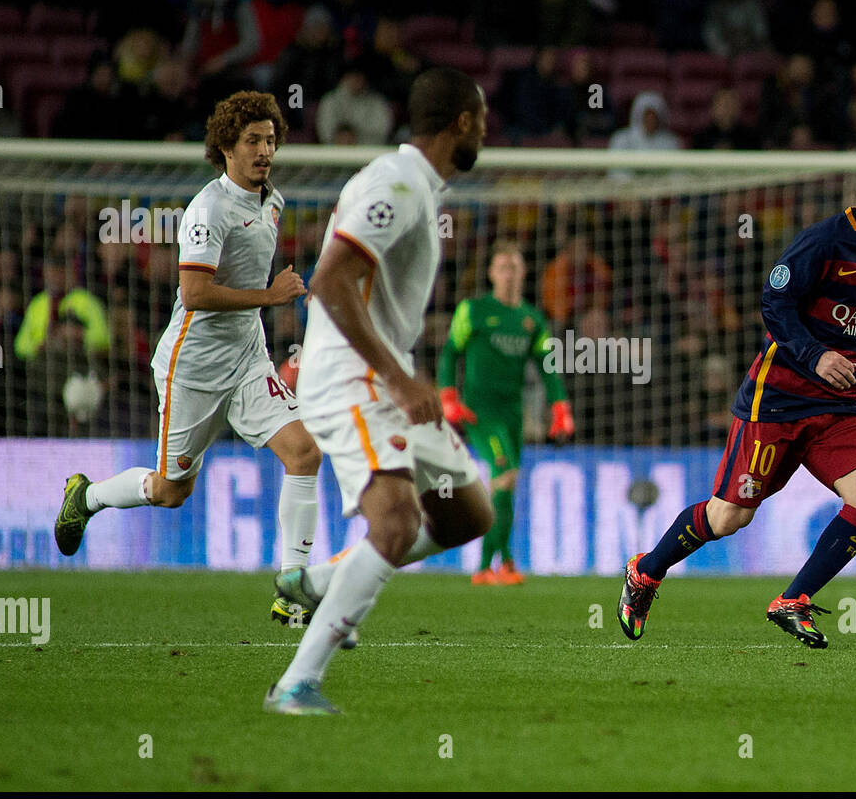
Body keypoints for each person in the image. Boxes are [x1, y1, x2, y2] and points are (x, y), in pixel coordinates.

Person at [618, 139, 856, 649]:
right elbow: (775, 305)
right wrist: (815, 356)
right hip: (777, 400)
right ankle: (646, 572)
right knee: (730, 517)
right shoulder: (823, 242)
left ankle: (794, 600)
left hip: (837, 409)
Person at [265, 68, 494, 715]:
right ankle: (296, 683)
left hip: (382, 372)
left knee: (467, 512)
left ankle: (317, 580)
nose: (485, 129)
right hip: (355, 377)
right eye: (480, 117)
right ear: (460, 123)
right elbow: (330, 278)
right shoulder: (395, 183)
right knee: (396, 521)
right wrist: (397, 375)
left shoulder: (416, 185)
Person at [55, 92, 323, 628]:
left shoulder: (273, 201)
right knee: (171, 491)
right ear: (225, 147)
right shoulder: (207, 209)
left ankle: (291, 592)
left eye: (270, 140)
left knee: (305, 454)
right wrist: (271, 298)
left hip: (248, 359)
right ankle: (86, 497)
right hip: (192, 367)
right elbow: (196, 294)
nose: (264, 150)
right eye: (252, 141)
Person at [438, 240, 575, 585]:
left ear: (524, 273)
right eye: (502, 268)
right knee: (504, 477)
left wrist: (560, 407)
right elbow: (450, 353)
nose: (509, 274)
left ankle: (508, 562)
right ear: (491, 274)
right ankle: (485, 568)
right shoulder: (474, 310)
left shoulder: (531, 319)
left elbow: (548, 366)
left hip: (513, 413)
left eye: (514, 267)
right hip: (480, 412)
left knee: (508, 485)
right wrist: (448, 396)